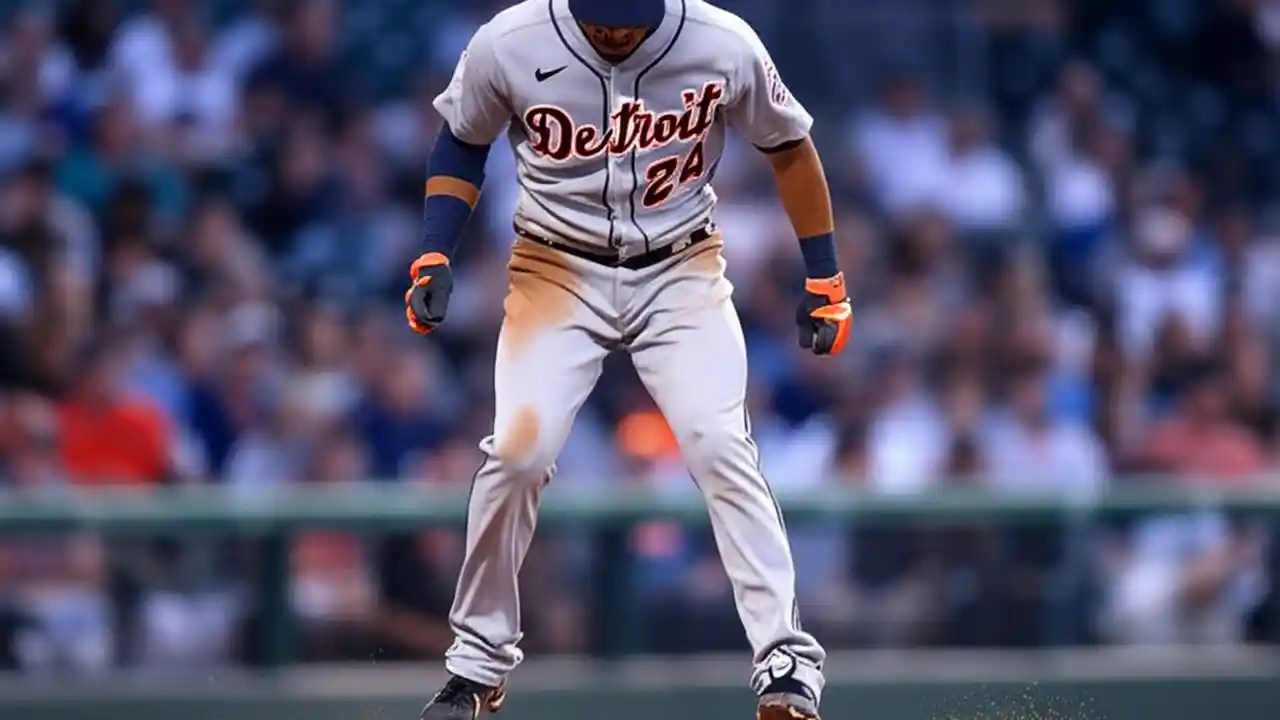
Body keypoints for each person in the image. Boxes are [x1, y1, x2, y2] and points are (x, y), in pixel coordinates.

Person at [402, 1, 851, 718]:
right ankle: (477, 666)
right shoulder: (511, 42)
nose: (613, 29)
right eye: (600, 14)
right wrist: (434, 249)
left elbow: (789, 146)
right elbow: (462, 139)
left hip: (681, 268)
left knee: (718, 444)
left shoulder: (721, 41)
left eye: (629, 16)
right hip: (555, 267)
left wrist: (825, 275)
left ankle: (787, 664)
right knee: (516, 454)